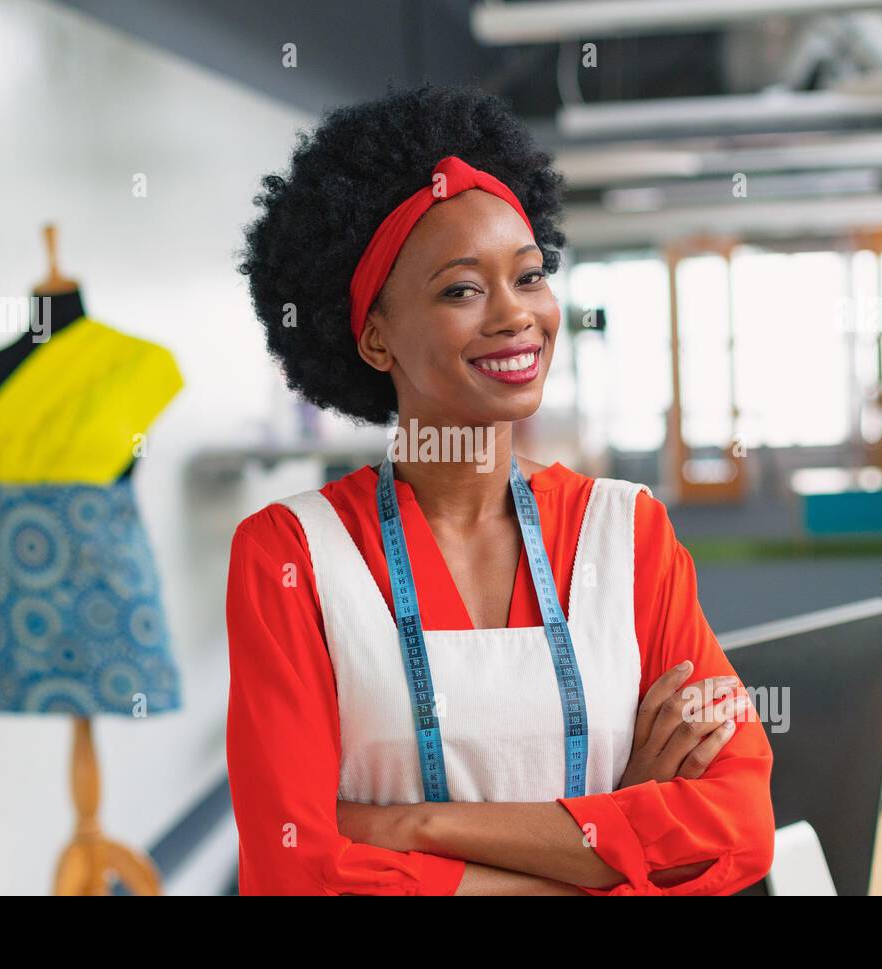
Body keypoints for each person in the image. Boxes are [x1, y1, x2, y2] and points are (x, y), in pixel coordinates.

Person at [226, 82, 774, 895]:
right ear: (374, 335)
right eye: (461, 290)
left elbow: (733, 830)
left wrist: (405, 826)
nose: (516, 316)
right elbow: (296, 868)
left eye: (528, 276)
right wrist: (608, 831)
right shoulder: (292, 555)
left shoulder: (628, 533)